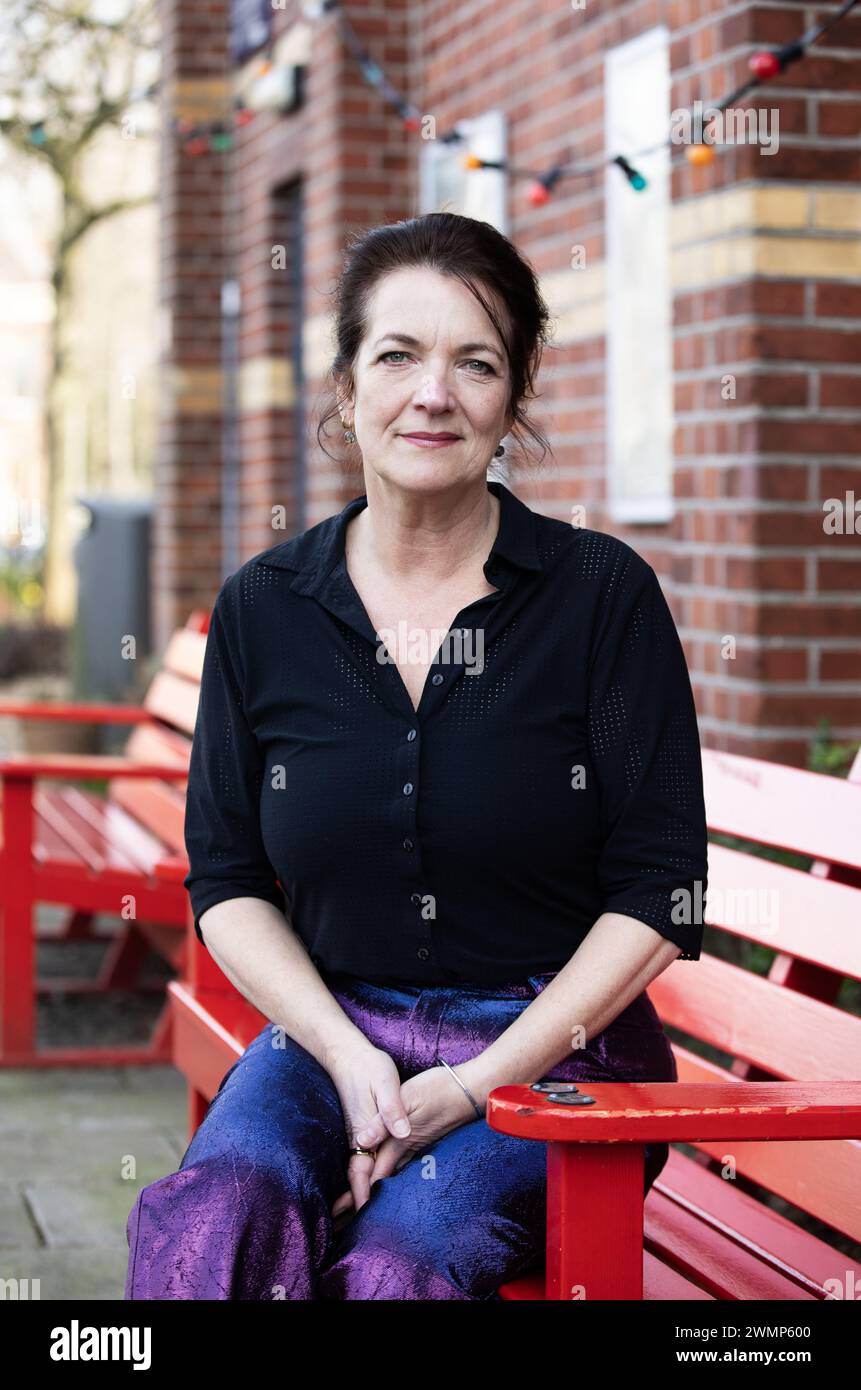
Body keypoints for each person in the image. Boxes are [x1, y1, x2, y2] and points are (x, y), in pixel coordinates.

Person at [124, 211, 709, 1300]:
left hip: (556, 1056)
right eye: (397, 355)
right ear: (346, 385)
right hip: (330, 1031)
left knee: (403, 1256)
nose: (432, 394)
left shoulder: (601, 598)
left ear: (513, 394)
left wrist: (475, 1084)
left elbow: (659, 891)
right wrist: (351, 1062)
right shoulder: (265, 608)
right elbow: (230, 881)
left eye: (474, 363)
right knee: (225, 1211)